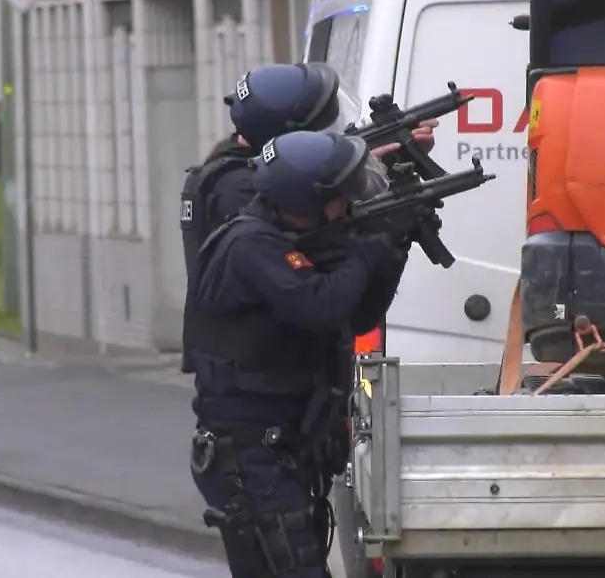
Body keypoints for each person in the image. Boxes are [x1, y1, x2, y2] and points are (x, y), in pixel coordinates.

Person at [187, 130, 410, 578]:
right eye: (340, 194)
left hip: (278, 447)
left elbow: (355, 314)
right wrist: (363, 256)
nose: (348, 203)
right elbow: (322, 305)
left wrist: (392, 249)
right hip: (249, 455)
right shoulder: (252, 245)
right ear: (309, 200)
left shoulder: (282, 238)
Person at [180, 63, 436, 373]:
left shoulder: (227, 174)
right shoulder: (242, 190)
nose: (325, 139)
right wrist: (362, 191)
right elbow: (329, 292)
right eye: (317, 132)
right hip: (265, 384)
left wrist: (369, 172)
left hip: (289, 386)